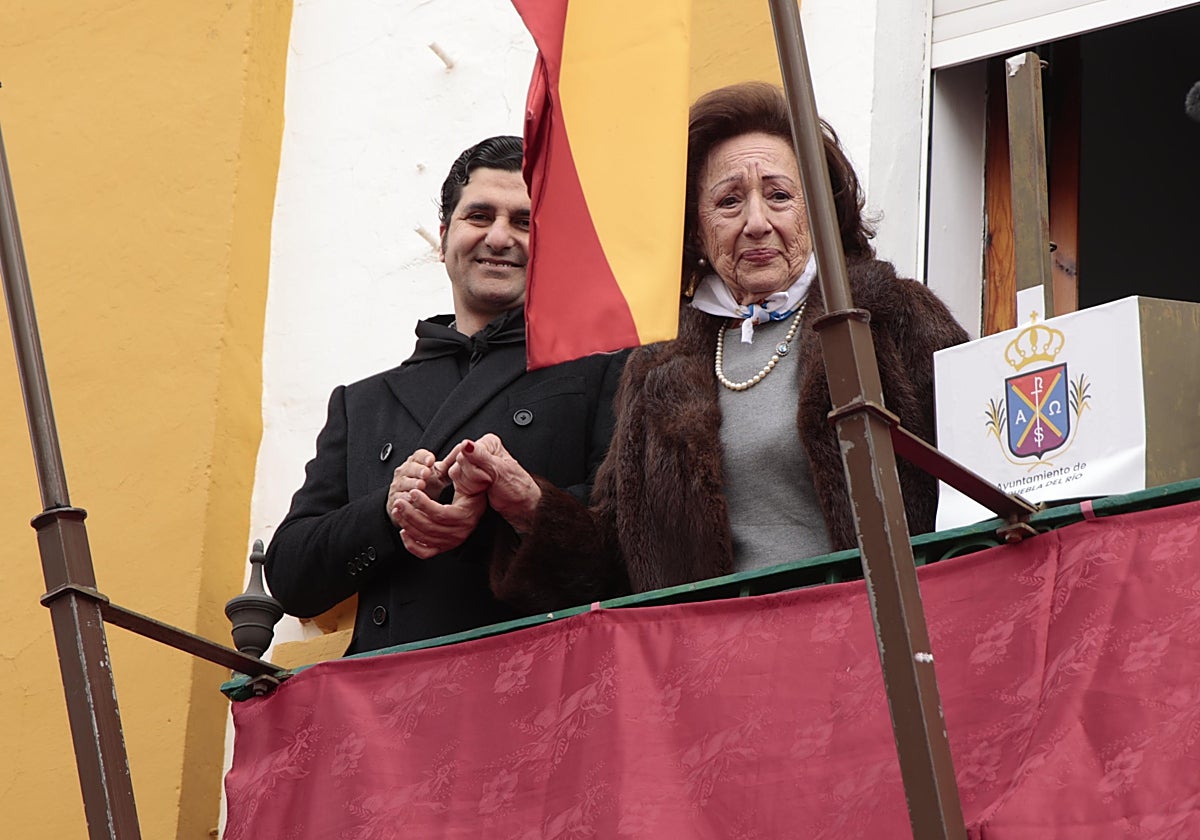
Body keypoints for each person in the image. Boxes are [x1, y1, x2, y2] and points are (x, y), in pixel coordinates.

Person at [446, 83, 970, 606]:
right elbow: (620, 563)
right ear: (697, 229)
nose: (757, 223)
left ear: (817, 212)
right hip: (716, 652)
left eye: (780, 196)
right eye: (728, 201)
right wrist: (531, 507)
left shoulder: (890, 315)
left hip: (871, 639)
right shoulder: (658, 366)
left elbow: (984, 481)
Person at [264, 135, 625, 654]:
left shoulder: (604, 369)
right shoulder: (364, 402)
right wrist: (391, 509)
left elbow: (628, 547)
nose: (499, 237)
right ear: (443, 237)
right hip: (390, 687)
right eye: (479, 216)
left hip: (540, 680)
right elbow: (291, 576)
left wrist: (524, 505)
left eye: (524, 222)